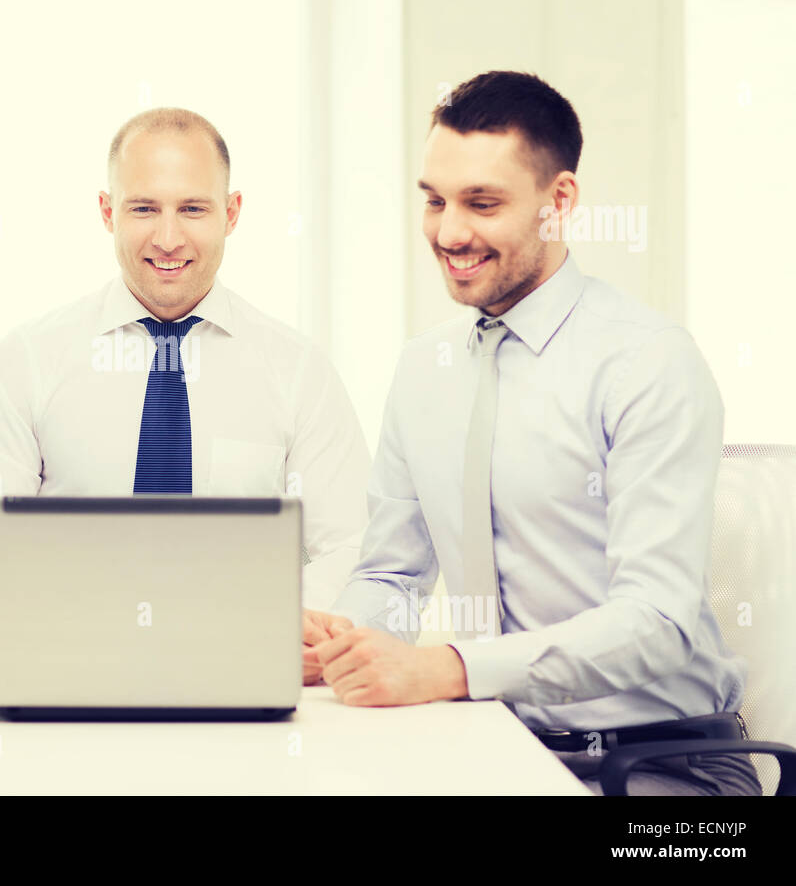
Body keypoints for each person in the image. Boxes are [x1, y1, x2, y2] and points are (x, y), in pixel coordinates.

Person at [305, 71, 759, 795]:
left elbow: (657, 619)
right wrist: (344, 640)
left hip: (661, 765)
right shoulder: (424, 370)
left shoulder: (647, 361)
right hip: (491, 750)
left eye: (482, 203)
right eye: (434, 200)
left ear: (560, 203)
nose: (449, 232)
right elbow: (392, 574)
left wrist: (448, 667)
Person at [0, 107, 371, 628]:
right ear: (107, 211)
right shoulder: (25, 361)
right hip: (72, 664)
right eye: (143, 209)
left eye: (193, 209)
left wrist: (282, 630)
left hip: (244, 664)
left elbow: (350, 543)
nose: (167, 239)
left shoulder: (298, 372)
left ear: (232, 212)